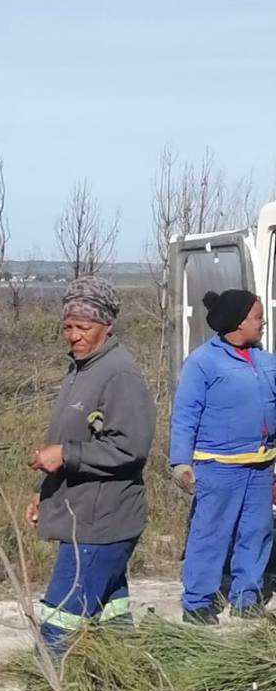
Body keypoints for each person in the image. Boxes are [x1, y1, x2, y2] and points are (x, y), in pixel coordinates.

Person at [27, 276, 156, 651]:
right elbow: (71, 437)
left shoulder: (119, 375)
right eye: (67, 327)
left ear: (107, 325)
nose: (73, 336)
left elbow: (130, 448)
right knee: (112, 625)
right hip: (82, 516)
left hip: (101, 525)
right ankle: (129, 680)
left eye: (83, 327)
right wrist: (42, 493)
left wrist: (65, 454)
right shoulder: (82, 369)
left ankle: (46, 686)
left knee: (59, 627)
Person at [170, 289, 276, 623]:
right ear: (238, 322)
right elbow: (185, 414)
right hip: (218, 467)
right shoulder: (203, 362)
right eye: (258, 317)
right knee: (210, 534)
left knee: (257, 532)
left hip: (260, 466)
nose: (263, 323)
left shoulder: (265, 360)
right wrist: (180, 462)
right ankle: (197, 602)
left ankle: (247, 596)